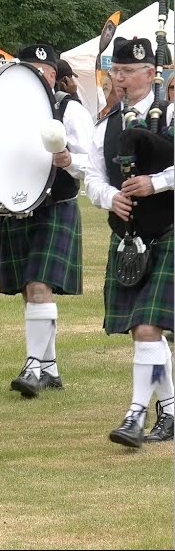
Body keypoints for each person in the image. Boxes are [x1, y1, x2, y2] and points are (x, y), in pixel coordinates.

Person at [82, 37, 174, 447]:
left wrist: (154, 183)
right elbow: (93, 178)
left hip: (169, 229)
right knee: (143, 331)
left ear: (151, 74)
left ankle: (136, 414)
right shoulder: (105, 124)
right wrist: (111, 197)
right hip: (129, 237)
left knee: (147, 325)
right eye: (115, 71)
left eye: (127, 72)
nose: (119, 79)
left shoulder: (171, 114)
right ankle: (169, 412)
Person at [0, 43, 93, 399]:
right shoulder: (4, 110)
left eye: (42, 71)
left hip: (55, 205)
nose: (36, 76)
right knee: (28, 290)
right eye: (28, 69)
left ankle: (33, 366)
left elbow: (92, 164)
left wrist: (68, 160)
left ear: (54, 75)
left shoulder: (70, 110)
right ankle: (50, 368)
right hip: (17, 205)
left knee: (39, 285)